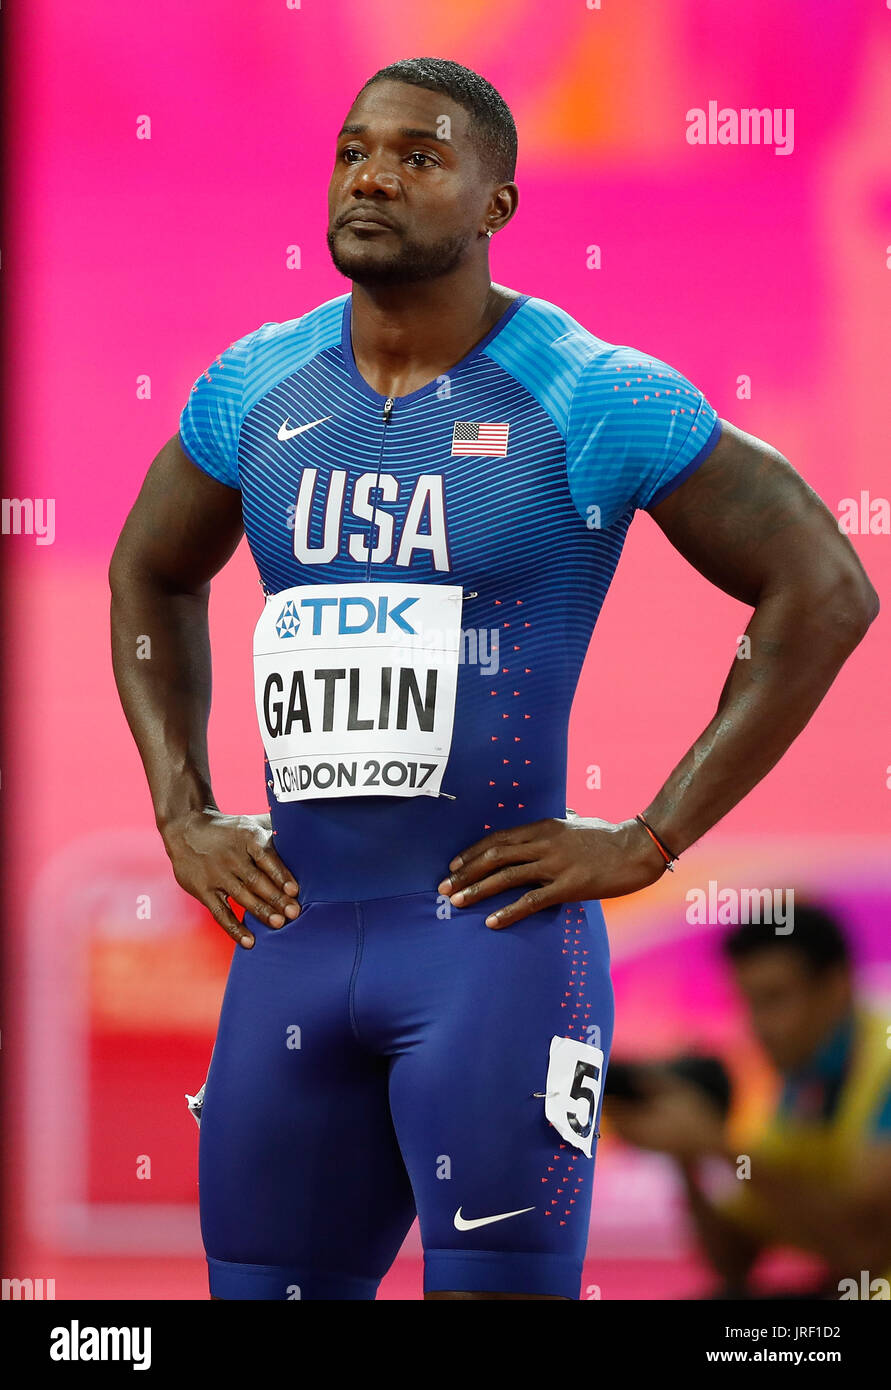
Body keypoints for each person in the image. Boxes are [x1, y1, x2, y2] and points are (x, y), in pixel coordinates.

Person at [108, 57, 879, 1300]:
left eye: (419, 155)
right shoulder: (252, 387)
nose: (373, 173)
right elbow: (149, 576)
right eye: (356, 147)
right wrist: (180, 809)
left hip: (494, 951)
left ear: (497, 204)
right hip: (292, 945)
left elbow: (825, 590)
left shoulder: (592, 395)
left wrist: (652, 836)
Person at [609, 906, 891, 1298]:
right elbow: (735, 1261)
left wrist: (715, 1145)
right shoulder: (800, 1081)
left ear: (837, 985)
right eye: (749, 1002)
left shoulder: (884, 1066)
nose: (758, 1024)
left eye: (774, 998)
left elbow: (864, 1249)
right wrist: (684, 1157)